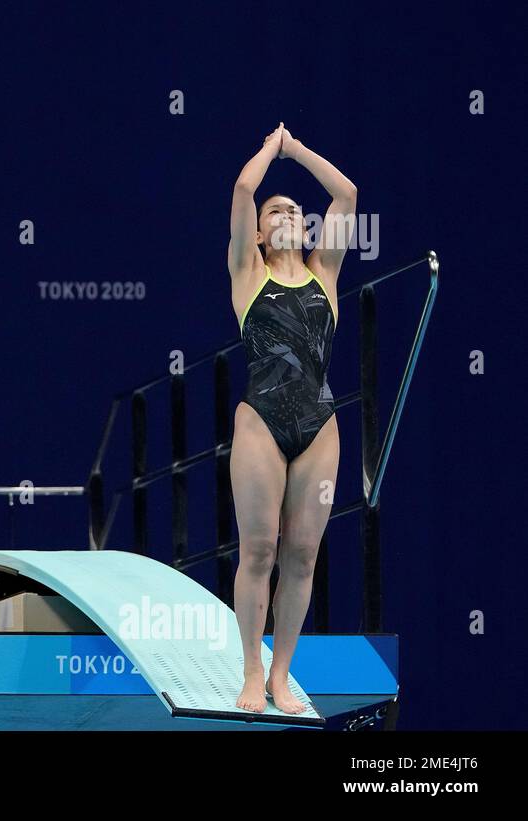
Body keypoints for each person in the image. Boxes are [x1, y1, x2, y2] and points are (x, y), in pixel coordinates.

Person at [227, 122, 356, 713]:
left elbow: (347, 194)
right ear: (257, 230)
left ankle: (282, 675)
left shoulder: (324, 272)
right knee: (259, 550)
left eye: (294, 209)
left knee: (303, 553)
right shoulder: (246, 272)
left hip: (319, 426)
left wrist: (300, 151)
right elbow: (242, 189)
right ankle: (251, 672)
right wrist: (268, 150)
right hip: (261, 422)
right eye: (275, 209)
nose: (285, 213)